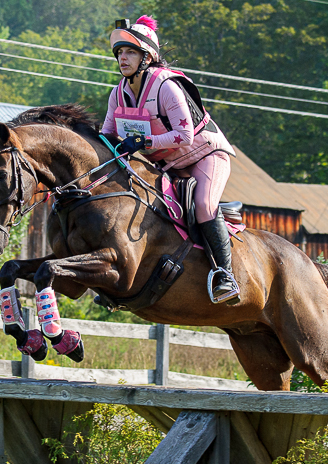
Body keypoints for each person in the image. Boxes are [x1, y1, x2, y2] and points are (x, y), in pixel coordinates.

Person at [101, 16, 240, 304]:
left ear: (147, 57)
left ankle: (226, 275)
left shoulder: (166, 86)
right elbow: (105, 136)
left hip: (205, 154)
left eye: (130, 52)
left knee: (203, 204)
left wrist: (145, 142)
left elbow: (185, 135)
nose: (122, 58)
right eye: (119, 53)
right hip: (168, 165)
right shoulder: (119, 93)